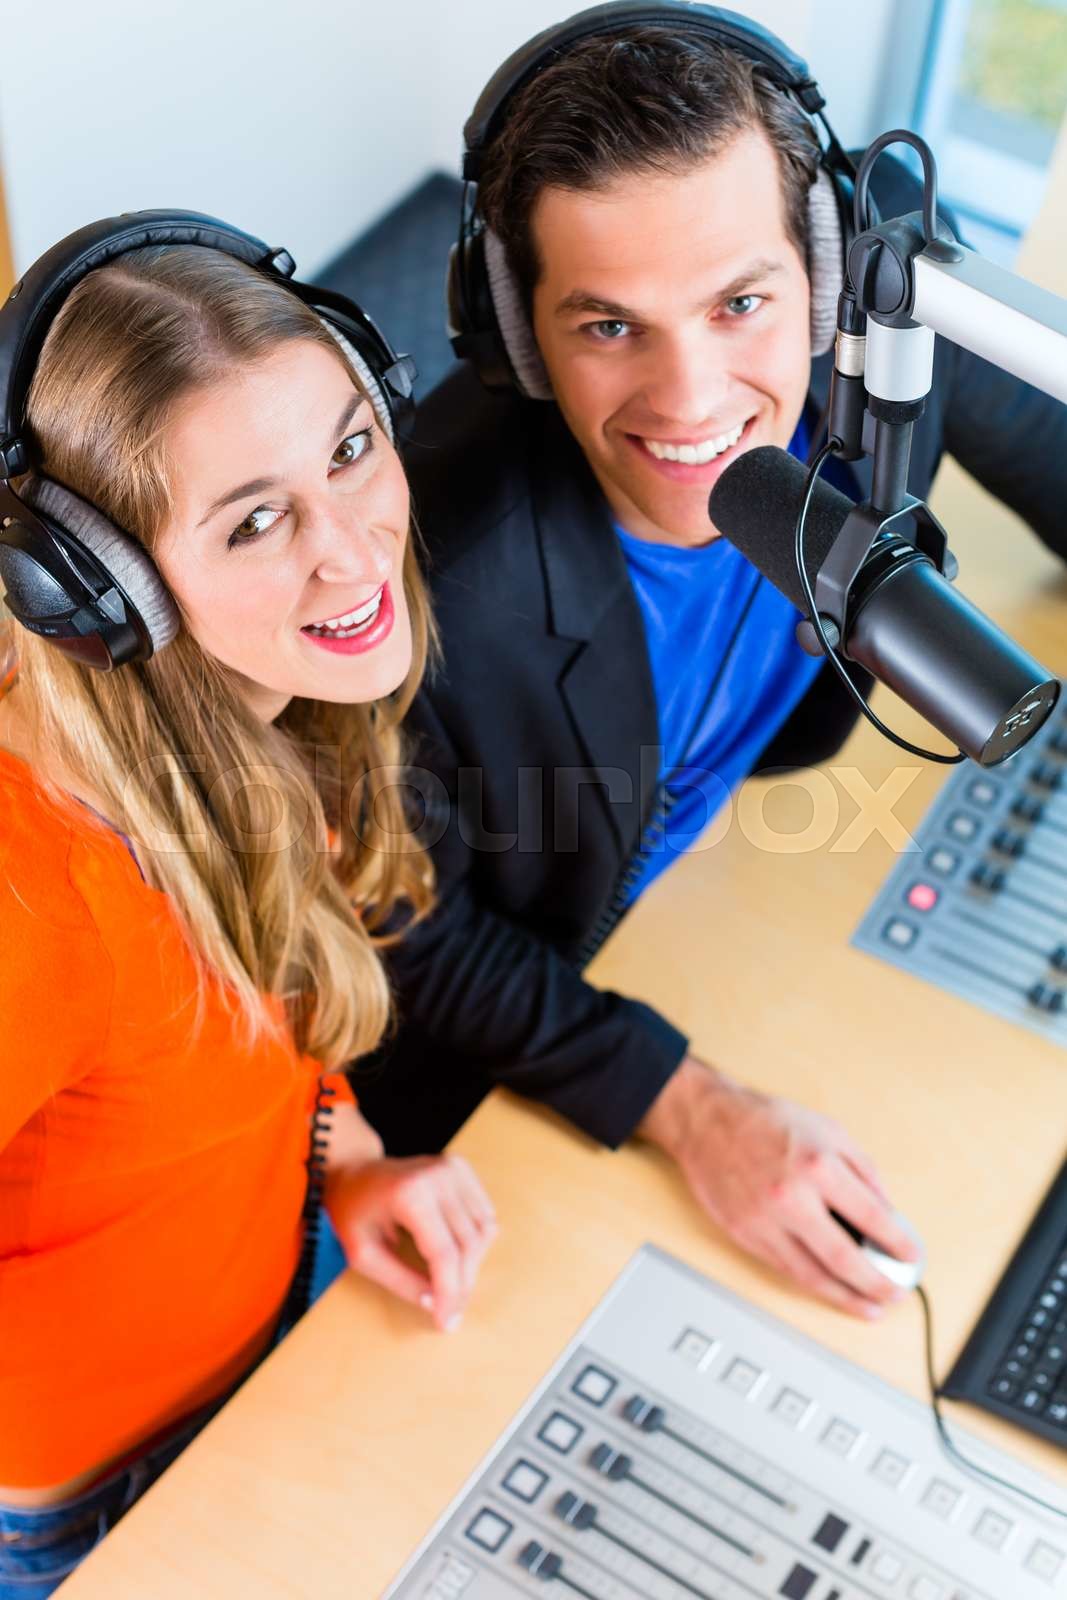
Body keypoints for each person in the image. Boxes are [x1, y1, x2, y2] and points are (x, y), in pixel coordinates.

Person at [354, 4, 1067, 1319]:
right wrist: (694, 1109)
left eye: (741, 302)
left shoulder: (875, 356)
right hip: (494, 1059)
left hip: (713, 906)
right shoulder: (419, 576)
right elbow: (407, 938)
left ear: (833, 276)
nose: (691, 402)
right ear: (518, 334)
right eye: (608, 326)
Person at [0, 216, 495, 1597]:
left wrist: (344, 1162)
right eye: (256, 519)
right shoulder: (35, 896)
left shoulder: (270, 714)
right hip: (95, 1501)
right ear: (100, 591)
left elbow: (266, 1020)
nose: (355, 553)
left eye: (348, 449)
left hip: (283, 1315)